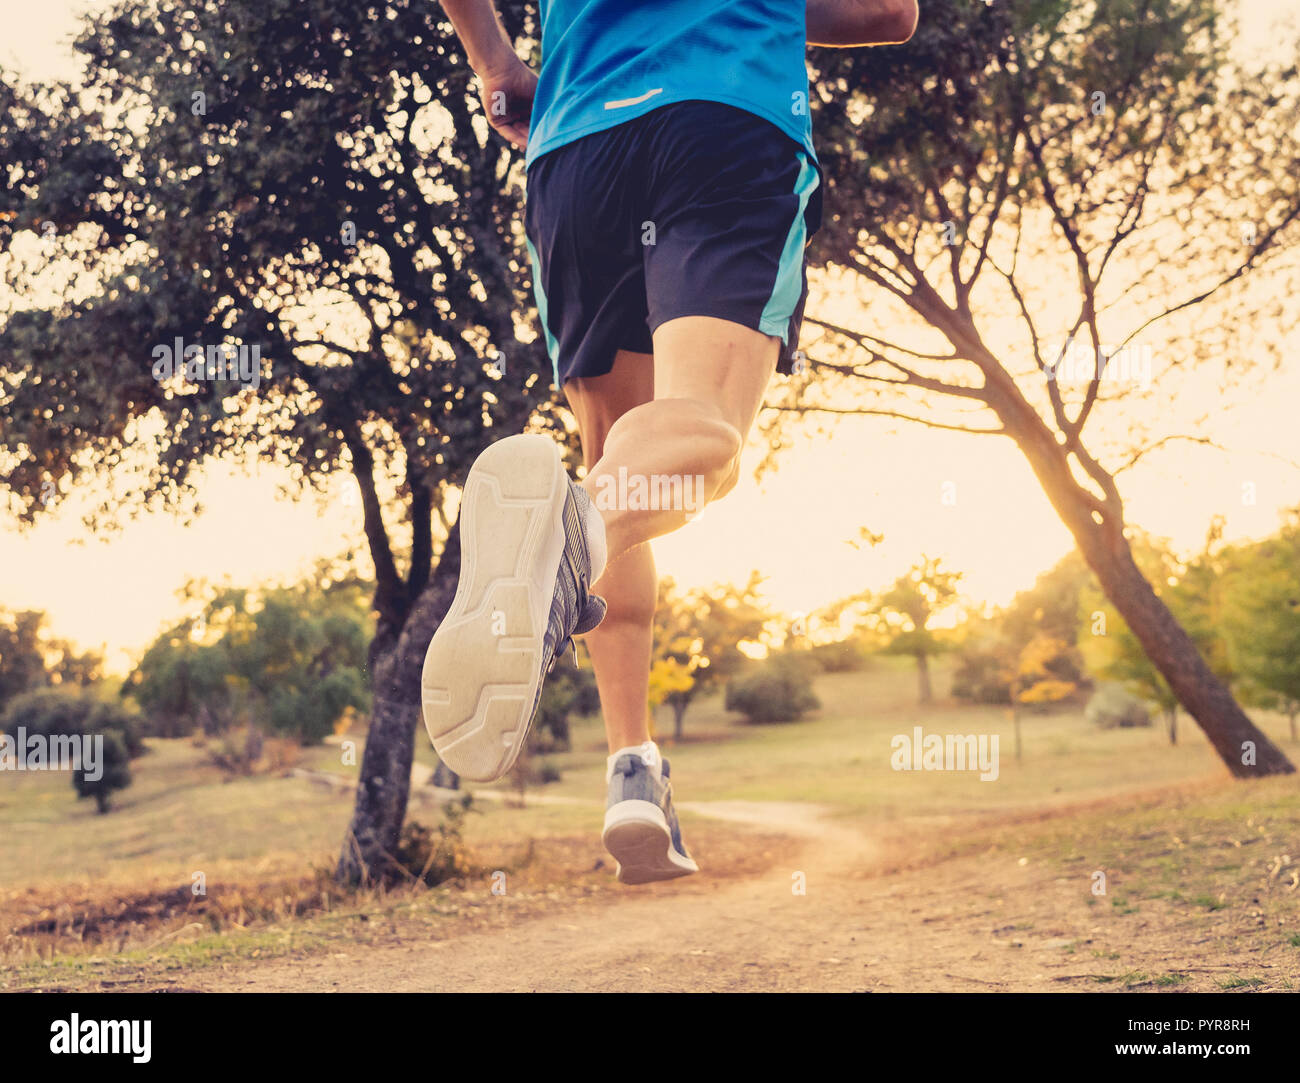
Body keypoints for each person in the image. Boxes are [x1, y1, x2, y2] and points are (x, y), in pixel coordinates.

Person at [424, 0, 918, 884]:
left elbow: (495, 57)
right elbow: (889, 12)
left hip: (574, 147)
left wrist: (495, 64)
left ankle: (632, 765)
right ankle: (571, 526)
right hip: (722, 115)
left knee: (618, 456)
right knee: (705, 438)